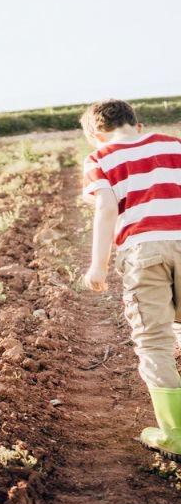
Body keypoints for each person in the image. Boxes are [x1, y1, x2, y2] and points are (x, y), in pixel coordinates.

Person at [81, 99, 181, 459]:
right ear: (137, 125)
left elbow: (107, 208)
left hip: (143, 252)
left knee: (154, 341)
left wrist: (99, 265)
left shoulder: (99, 158)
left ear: (95, 135)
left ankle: (175, 434)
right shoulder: (173, 144)